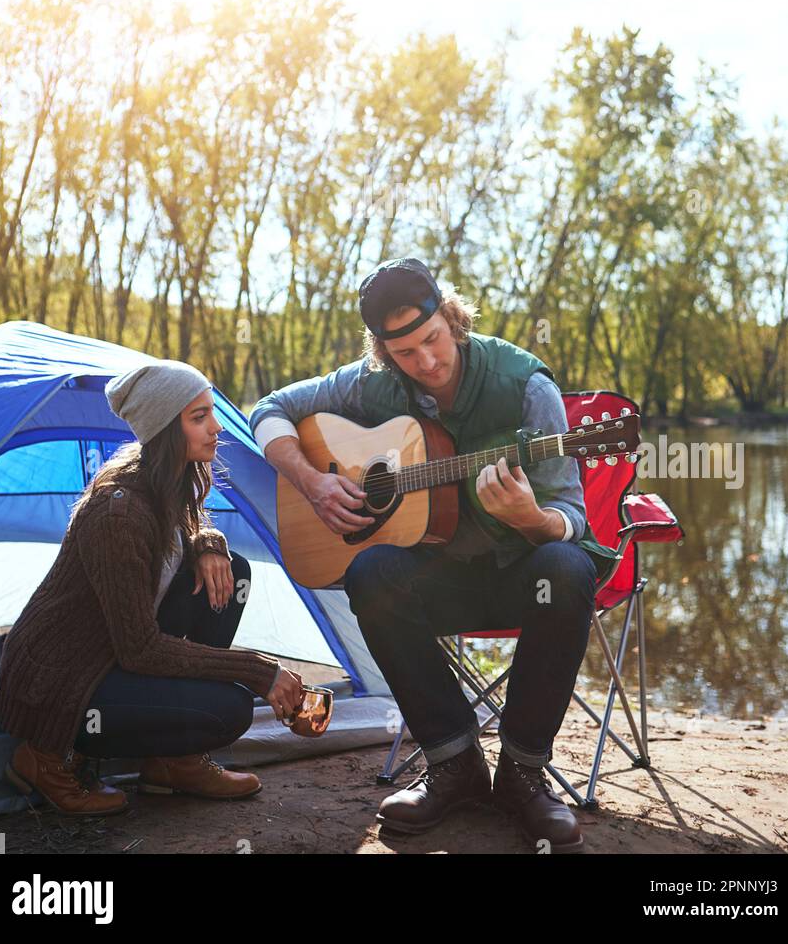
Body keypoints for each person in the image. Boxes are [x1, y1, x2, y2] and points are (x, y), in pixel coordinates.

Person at [249, 257, 617, 853]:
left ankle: (523, 772)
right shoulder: (370, 383)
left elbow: (572, 518)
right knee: (368, 571)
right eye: (405, 354)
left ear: (451, 317)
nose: (426, 364)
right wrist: (313, 483)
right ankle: (453, 761)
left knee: (566, 568)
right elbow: (267, 409)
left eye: (432, 340)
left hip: (519, 576)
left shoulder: (526, 386)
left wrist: (531, 518)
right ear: (383, 352)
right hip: (438, 583)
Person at [0, 359, 304, 815]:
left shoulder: (165, 482)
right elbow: (140, 649)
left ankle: (170, 764)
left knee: (231, 572)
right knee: (231, 710)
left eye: (211, 412)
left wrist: (207, 543)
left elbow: (175, 544)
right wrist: (258, 670)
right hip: (62, 680)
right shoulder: (118, 514)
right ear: (164, 429)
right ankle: (43, 758)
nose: (217, 427)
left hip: (110, 657)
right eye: (199, 417)